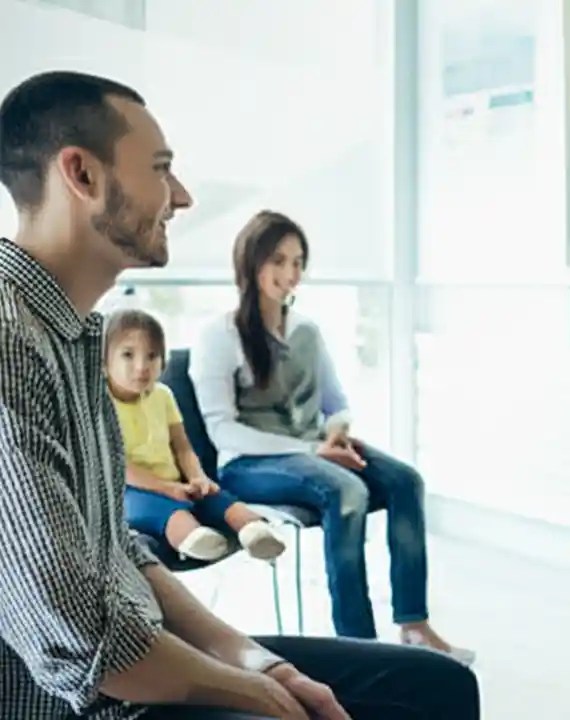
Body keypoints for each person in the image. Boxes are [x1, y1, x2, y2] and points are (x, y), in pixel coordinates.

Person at [0, 70, 479, 719]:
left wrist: (261, 663)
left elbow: (121, 549)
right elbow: (84, 645)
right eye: (162, 170)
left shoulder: (81, 336)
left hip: (147, 657)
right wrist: (261, 695)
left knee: (432, 686)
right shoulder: (11, 347)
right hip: (91, 704)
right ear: (82, 176)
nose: (183, 196)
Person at [189, 209, 473, 664]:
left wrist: (338, 433)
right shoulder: (217, 336)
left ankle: (413, 626)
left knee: (405, 481)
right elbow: (223, 430)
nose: (290, 273)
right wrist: (313, 449)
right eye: (278, 260)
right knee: (345, 490)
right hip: (250, 464)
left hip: (317, 450)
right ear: (251, 262)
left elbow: (336, 402)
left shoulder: (306, 331)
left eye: (298, 261)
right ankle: (358, 645)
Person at [105, 308, 288, 562]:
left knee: (219, 499)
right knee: (168, 513)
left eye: (152, 356)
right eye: (128, 355)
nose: (141, 367)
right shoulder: (100, 404)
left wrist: (197, 477)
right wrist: (168, 488)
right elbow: (119, 466)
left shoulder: (163, 395)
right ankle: (193, 539)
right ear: (104, 362)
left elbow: (183, 448)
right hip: (130, 491)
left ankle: (256, 532)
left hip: (177, 482)